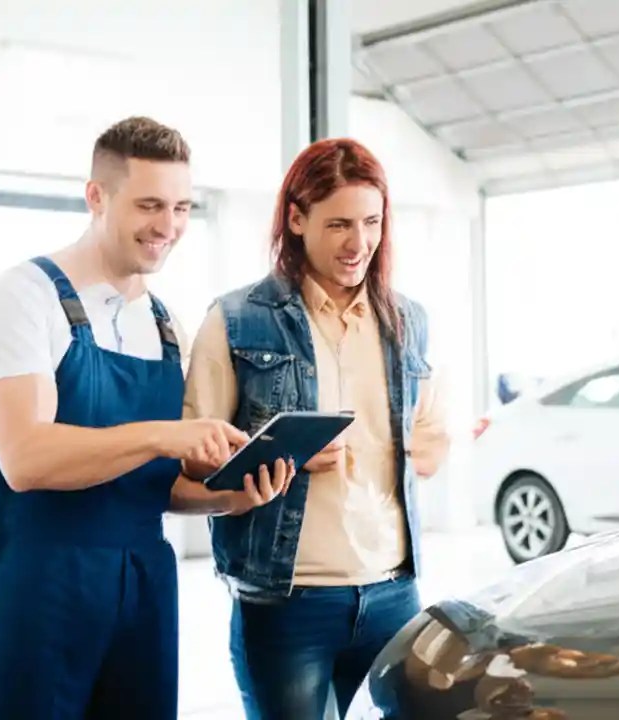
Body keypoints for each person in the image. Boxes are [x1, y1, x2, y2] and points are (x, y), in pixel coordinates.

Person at [0, 116, 294, 719]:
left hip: (144, 581)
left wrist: (231, 498)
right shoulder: (22, 298)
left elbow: (152, 486)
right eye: (149, 205)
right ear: (96, 197)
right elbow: (26, 460)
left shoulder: (165, 324)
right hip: (41, 580)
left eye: (182, 207)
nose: (168, 227)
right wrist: (164, 434)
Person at [183, 137, 452, 719]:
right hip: (287, 600)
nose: (359, 243)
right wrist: (276, 456)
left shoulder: (407, 320)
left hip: (393, 592)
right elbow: (193, 461)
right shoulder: (234, 321)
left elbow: (429, 440)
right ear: (297, 219)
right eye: (338, 225)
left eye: (371, 222)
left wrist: (427, 447)